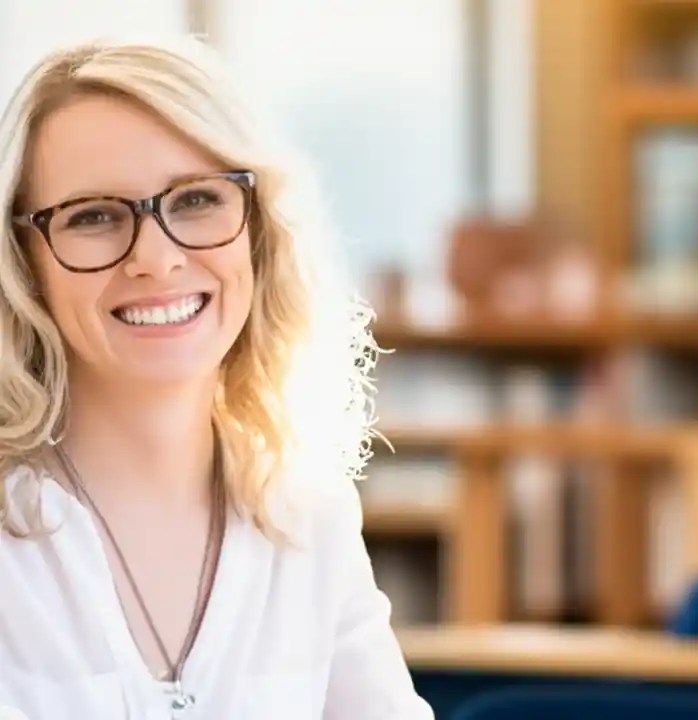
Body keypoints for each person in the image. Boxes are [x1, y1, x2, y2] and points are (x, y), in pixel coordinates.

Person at [0, 34, 434, 719]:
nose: (156, 258)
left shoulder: (307, 519)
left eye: (197, 201)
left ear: (257, 231)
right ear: (23, 265)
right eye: (93, 216)